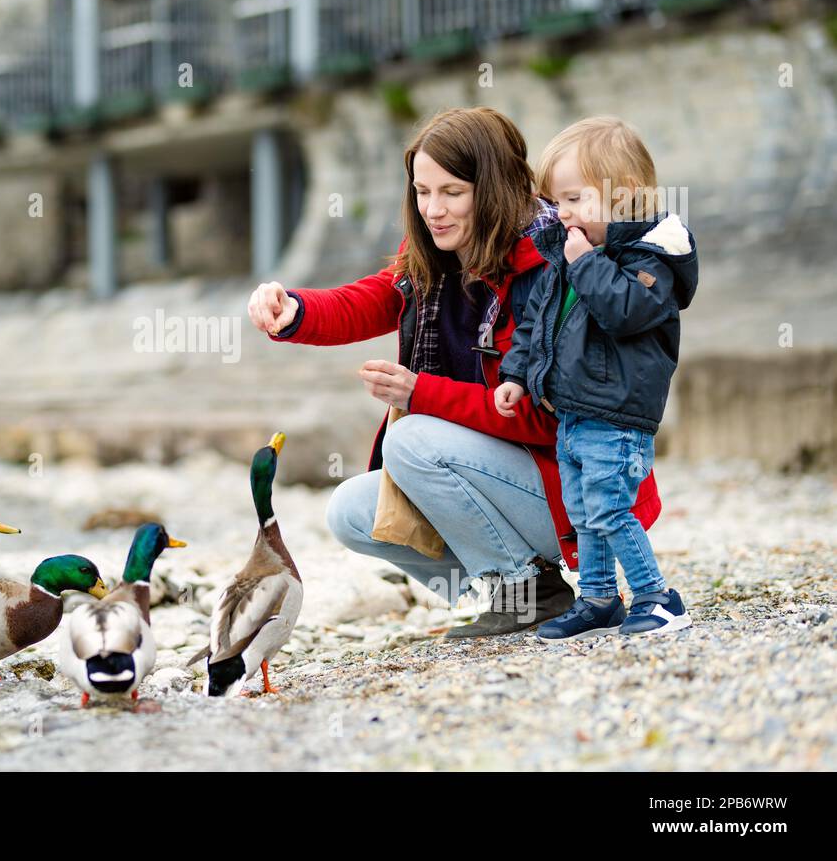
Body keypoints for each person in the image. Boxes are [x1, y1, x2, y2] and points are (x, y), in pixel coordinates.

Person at [247, 106, 662, 639]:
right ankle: (514, 589)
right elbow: (375, 298)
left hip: (576, 485)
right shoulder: (439, 253)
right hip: (506, 480)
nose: (433, 210)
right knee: (351, 510)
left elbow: (543, 420)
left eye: (451, 192)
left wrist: (421, 393)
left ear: (489, 190)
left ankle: (529, 591)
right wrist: (294, 310)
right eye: (422, 192)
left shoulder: (550, 265)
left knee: (413, 439)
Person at [495, 117, 698, 639]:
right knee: (582, 511)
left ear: (625, 196)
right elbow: (537, 321)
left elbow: (625, 311)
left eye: (574, 199)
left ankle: (658, 597)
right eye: (557, 202)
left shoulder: (654, 256)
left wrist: (585, 262)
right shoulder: (570, 254)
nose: (562, 214)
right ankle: (599, 598)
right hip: (574, 411)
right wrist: (517, 373)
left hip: (618, 413)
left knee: (611, 508)